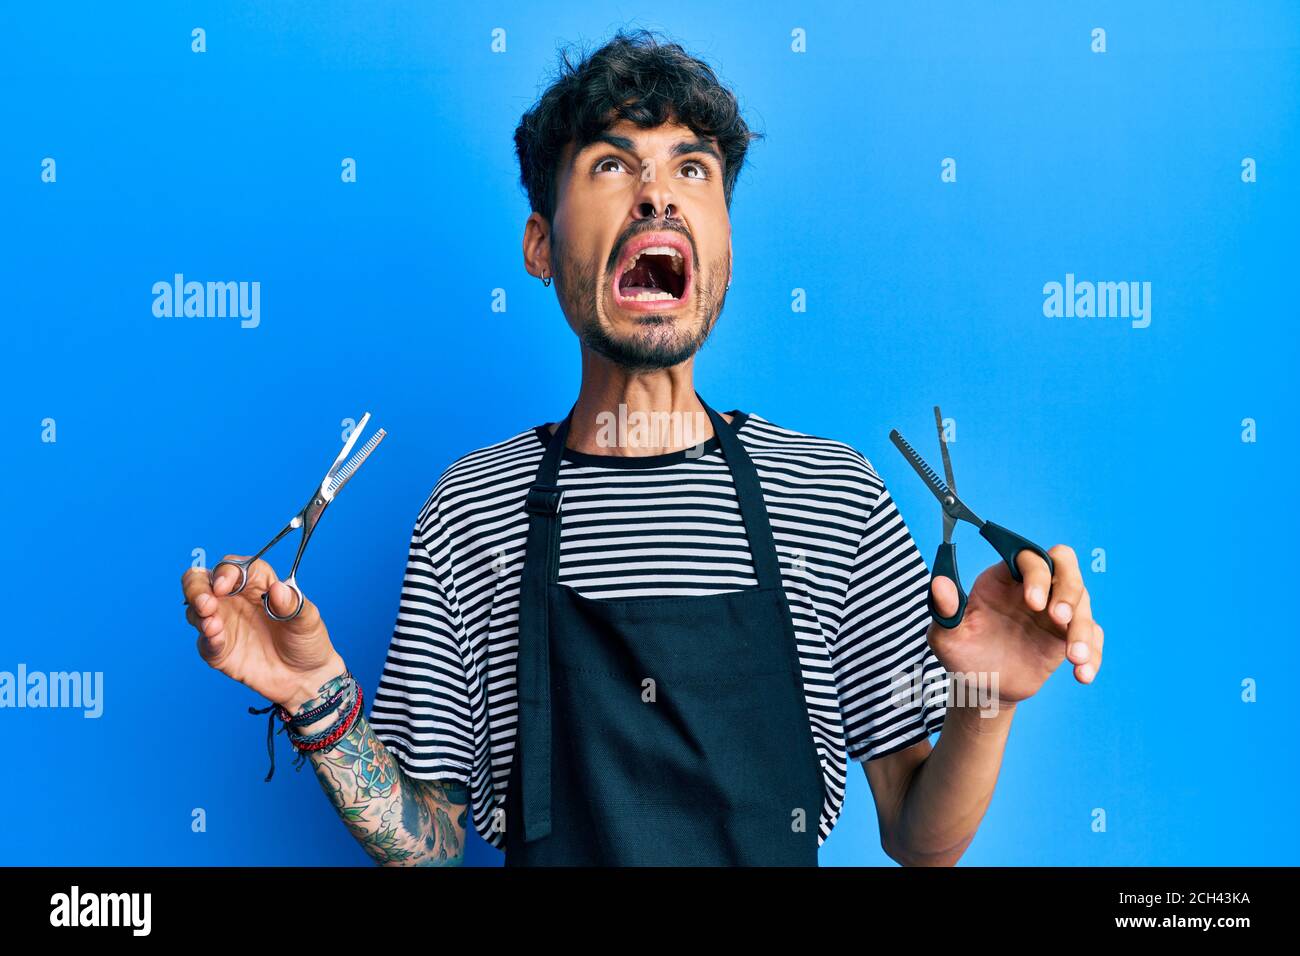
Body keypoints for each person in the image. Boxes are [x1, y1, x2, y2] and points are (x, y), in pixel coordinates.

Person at [181, 27, 1103, 867]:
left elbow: (919, 835)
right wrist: (317, 700)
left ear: (725, 243)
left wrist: (990, 704)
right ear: (540, 245)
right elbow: (427, 842)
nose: (659, 191)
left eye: (692, 169)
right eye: (612, 165)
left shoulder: (832, 496)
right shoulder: (473, 510)